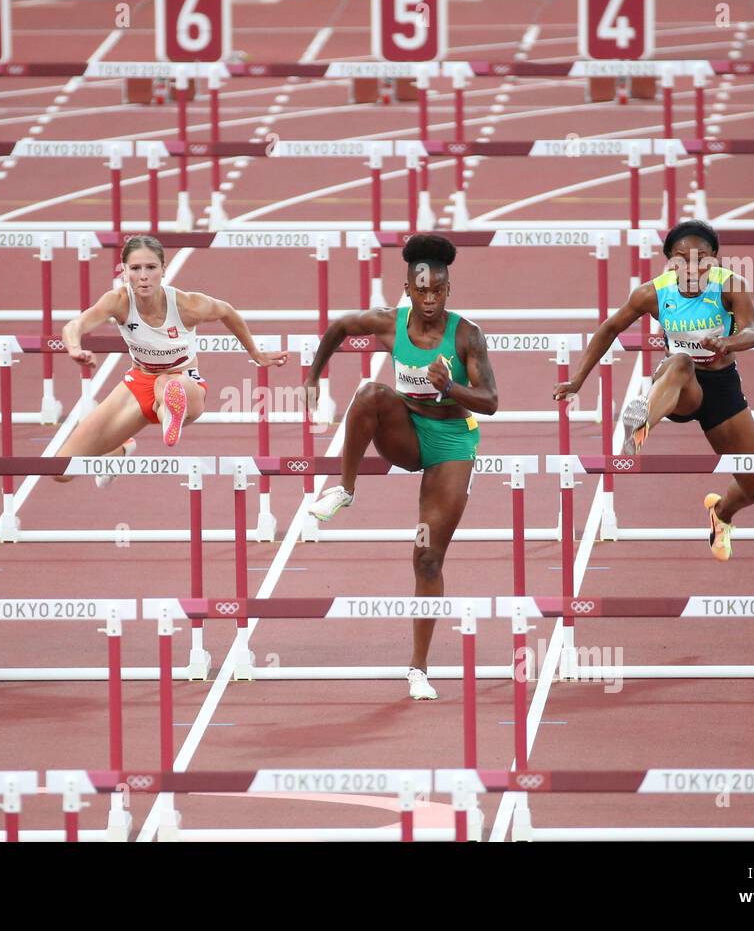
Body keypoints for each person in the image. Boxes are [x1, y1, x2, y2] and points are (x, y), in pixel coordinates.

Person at [302, 234, 499, 701]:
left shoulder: (467, 334)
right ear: (407, 289)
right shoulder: (389, 324)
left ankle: (418, 668)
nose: (430, 300)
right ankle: (345, 489)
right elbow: (339, 327)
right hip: (407, 433)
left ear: (449, 290)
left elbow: (491, 401)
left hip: (451, 443)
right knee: (371, 393)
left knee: (427, 555)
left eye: (438, 291)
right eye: (421, 291)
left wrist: (450, 386)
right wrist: (313, 377)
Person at [552, 219, 754, 561]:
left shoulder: (731, 287)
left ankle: (721, 513)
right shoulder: (653, 293)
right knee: (680, 361)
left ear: (715, 260)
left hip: (721, 386)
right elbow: (609, 329)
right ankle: (640, 425)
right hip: (678, 386)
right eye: (682, 258)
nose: (692, 266)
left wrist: (728, 341)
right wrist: (578, 379)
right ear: (669, 261)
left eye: (702, 259)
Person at [55, 234, 287, 485]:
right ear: (124, 272)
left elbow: (227, 311)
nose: (143, 276)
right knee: (61, 470)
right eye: (135, 268)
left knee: (167, 384)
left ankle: (169, 411)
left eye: (151, 268)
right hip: (138, 384)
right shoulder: (120, 301)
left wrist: (255, 352)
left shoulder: (187, 305)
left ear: (163, 270)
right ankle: (122, 448)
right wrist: (74, 348)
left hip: (185, 382)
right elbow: (75, 325)